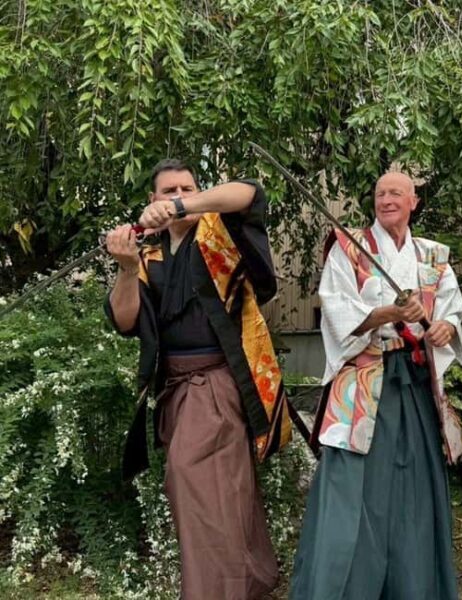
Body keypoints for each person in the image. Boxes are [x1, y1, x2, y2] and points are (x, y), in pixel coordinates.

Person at [105, 159, 291, 600]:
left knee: (198, 489)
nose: (177, 194)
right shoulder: (146, 253)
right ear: (151, 199)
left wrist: (184, 205)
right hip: (175, 393)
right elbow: (125, 320)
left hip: (220, 385)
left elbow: (249, 191)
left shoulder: (220, 232)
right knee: (222, 496)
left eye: (186, 187)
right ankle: (249, 580)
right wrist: (126, 268)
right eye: (167, 190)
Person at [289, 171, 462, 600]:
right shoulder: (349, 248)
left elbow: (450, 309)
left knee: (415, 491)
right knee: (355, 491)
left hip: (416, 384)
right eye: (380, 193)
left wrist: (444, 327)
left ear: (414, 202)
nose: (387, 200)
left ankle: (414, 586)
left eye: (396, 193)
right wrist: (387, 314)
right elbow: (335, 309)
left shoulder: (433, 255)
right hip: (364, 385)